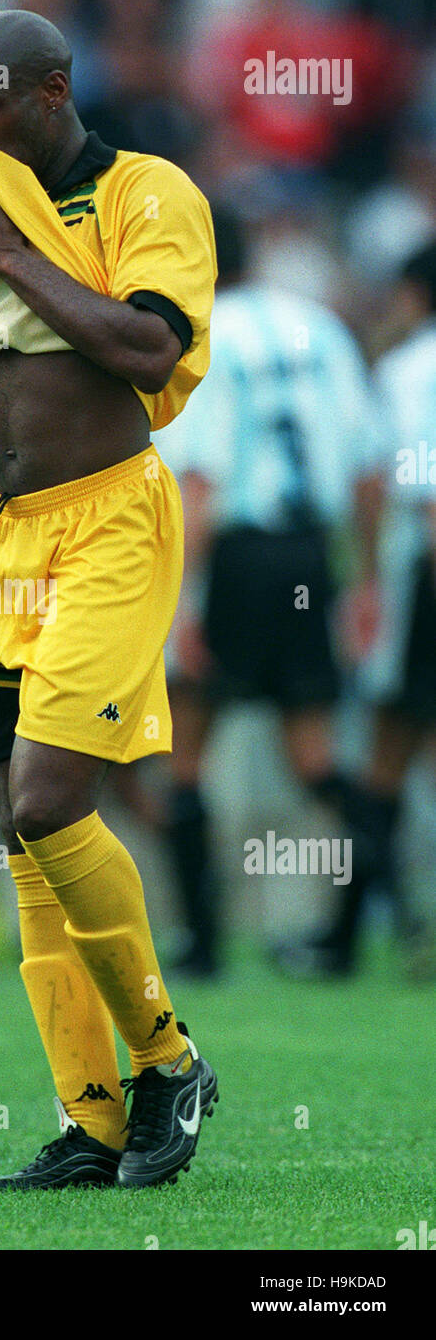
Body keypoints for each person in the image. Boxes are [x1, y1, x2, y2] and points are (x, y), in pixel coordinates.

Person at [0, 10, 218, 1190]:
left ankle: (167, 1060)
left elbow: (145, 348)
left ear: (52, 92)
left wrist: (14, 255)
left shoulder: (143, 191)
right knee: (19, 838)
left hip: (108, 524)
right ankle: (94, 1119)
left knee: (48, 793)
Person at [155, 207, 385, 978]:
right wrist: (366, 579)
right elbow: (366, 469)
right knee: (316, 757)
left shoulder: (201, 338)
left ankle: (203, 945)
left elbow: (200, 482)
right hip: (310, 555)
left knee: (187, 752)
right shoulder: (321, 329)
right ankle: (364, 927)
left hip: (236, 560)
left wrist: (183, 603)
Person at [280, 241, 436, 980]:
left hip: (423, 581)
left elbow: (400, 482)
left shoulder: (412, 371)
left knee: (384, 761)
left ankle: (358, 937)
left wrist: (370, 580)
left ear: (415, 294)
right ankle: (357, 934)